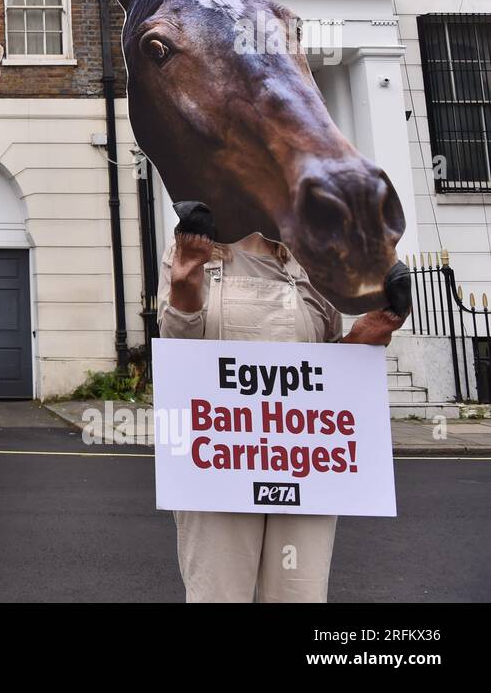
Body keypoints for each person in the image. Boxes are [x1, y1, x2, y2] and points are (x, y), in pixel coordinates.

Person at [158, 201, 408, 603]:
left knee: (300, 594)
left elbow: (327, 373)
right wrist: (186, 282)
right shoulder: (193, 248)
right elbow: (180, 354)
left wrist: (369, 332)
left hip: (301, 463)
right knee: (218, 595)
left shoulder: (315, 266)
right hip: (217, 462)